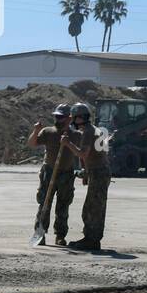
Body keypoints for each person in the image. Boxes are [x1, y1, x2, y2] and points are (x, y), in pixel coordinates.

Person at [61, 102, 110, 251]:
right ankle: (89, 238)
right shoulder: (92, 130)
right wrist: (86, 173)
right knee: (91, 207)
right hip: (98, 171)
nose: (72, 121)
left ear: (80, 118)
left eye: (74, 118)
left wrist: (67, 143)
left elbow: (83, 154)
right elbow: (94, 156)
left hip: (99, 172)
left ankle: (92, 240)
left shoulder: (89, 131)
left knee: (94, 208)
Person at [27, 103, 76, 245]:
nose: (57, 119)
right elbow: (32, 143)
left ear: (69, 118)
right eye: (56, 116)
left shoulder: (75, 135)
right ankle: (40, 233)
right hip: (48, 172)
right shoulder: (48, 132)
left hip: (66, 174)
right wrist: (36, 131)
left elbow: (81, 153)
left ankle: (60, 235)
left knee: (63, 205)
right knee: (44, 204)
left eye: (61, 117)